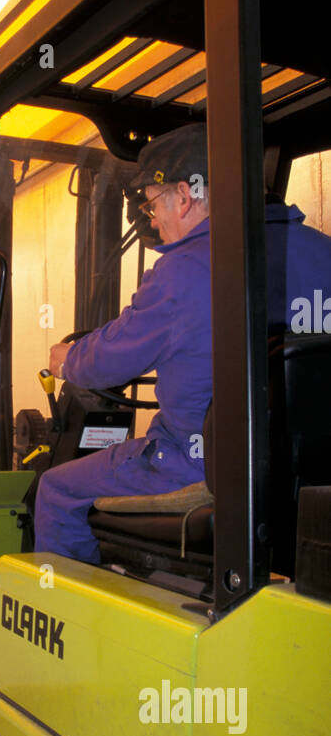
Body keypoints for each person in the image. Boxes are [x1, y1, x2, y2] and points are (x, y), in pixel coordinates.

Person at [34, 122, 331, 562]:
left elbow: (110, 358)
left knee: (56, 490)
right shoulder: (321, 252)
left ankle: (66, 603)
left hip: (197, 462)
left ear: (185, 195)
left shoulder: (184, 271)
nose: (153, 220)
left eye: (153, 205)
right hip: (305, 468)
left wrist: (68, 359)